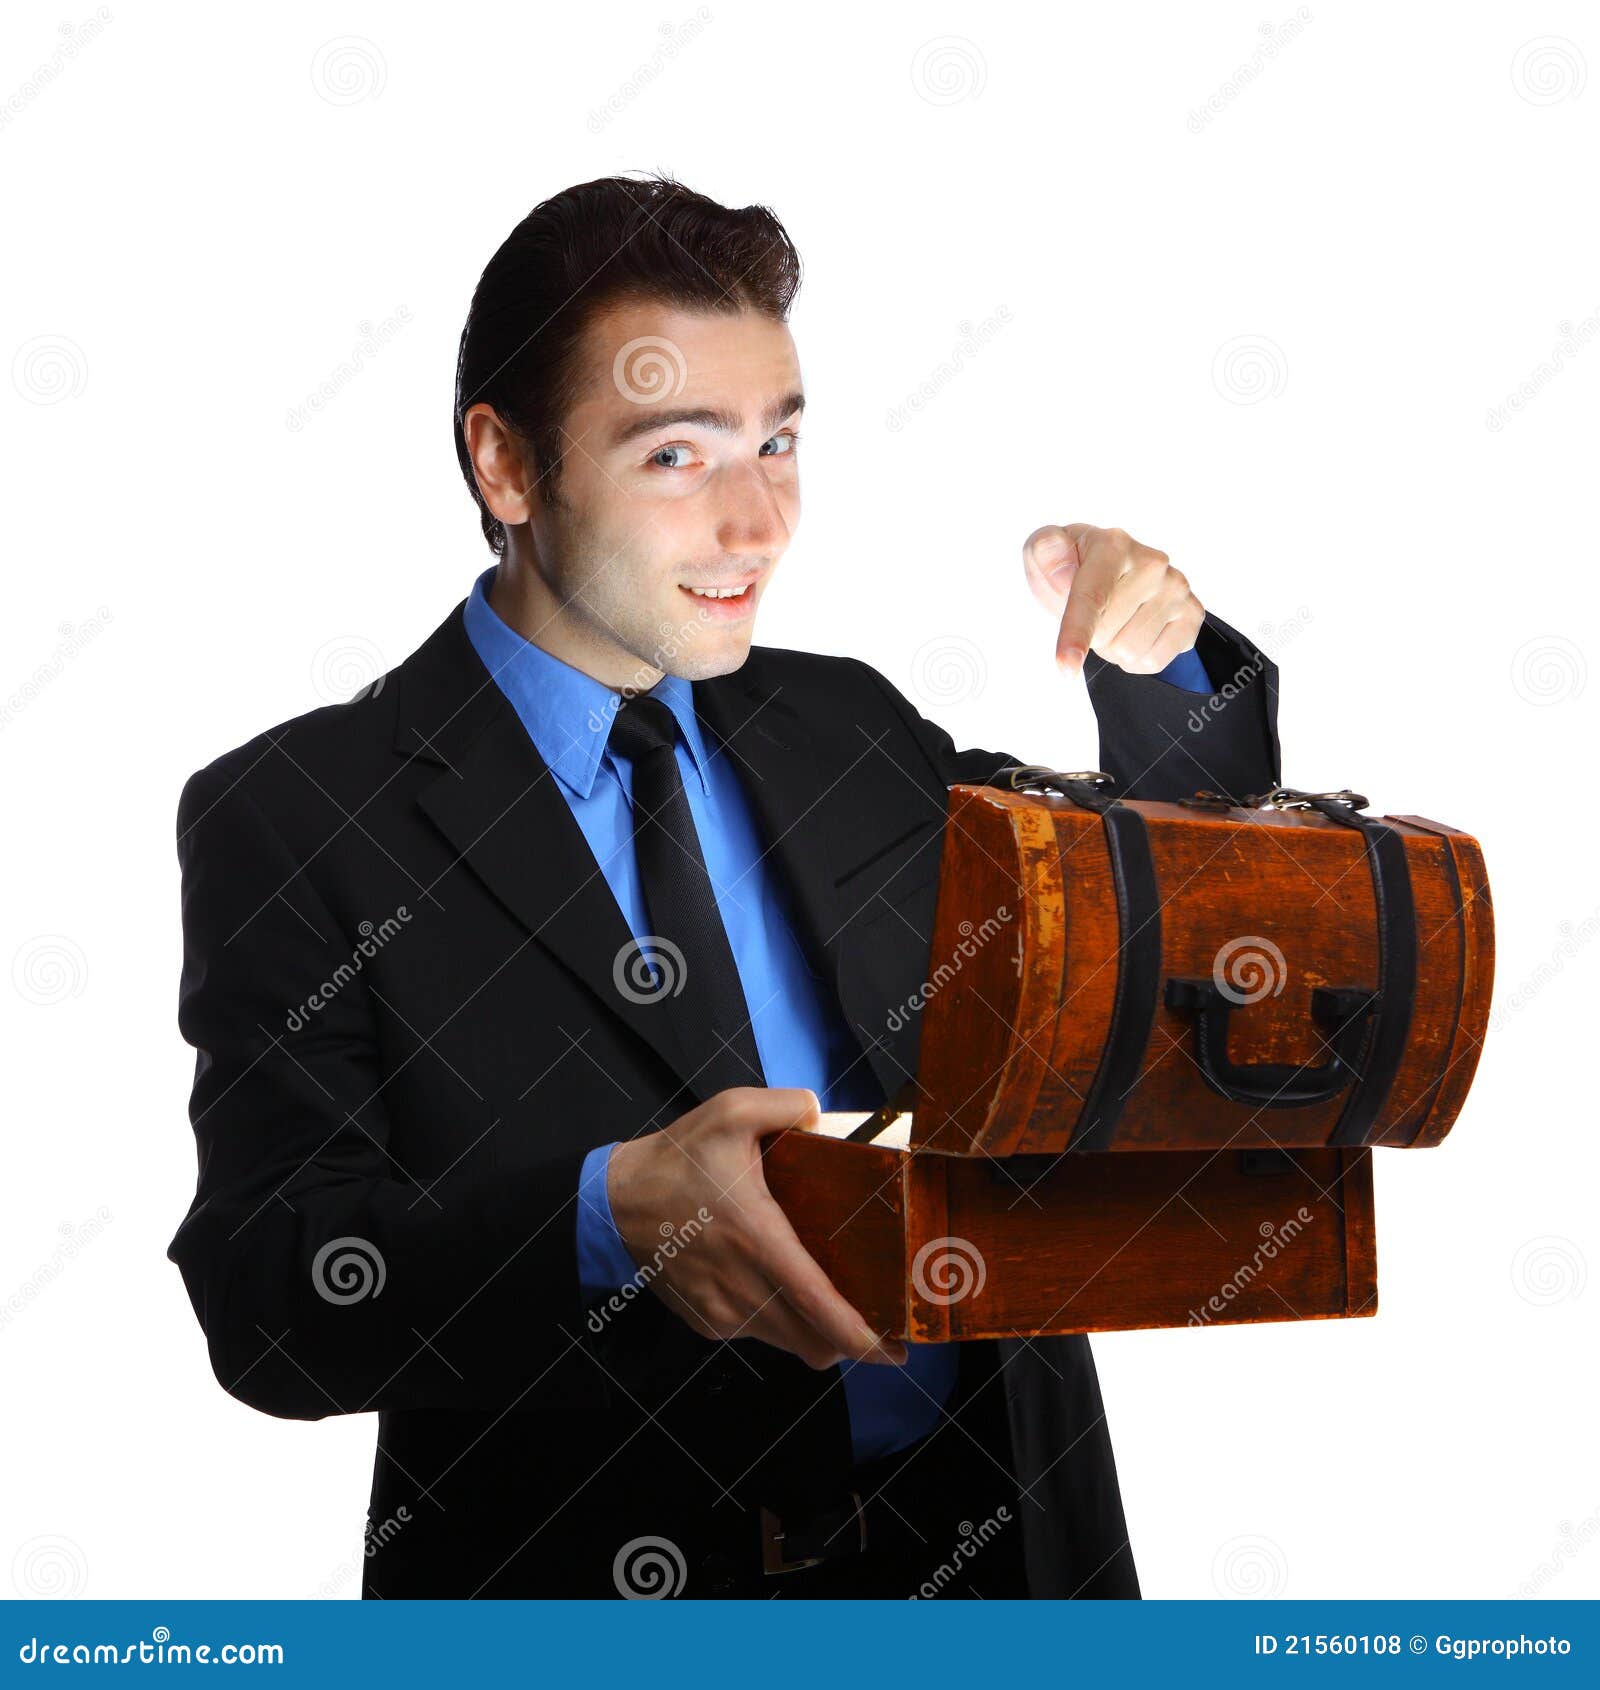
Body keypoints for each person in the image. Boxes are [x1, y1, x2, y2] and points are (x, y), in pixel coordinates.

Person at [168, 173, 1281, 1599]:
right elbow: (272, 1294)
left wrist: (1163, 664)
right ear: (506, 467)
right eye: (678, 457)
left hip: (1009, 1563)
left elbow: (1179, 894)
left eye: (779, 442)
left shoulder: (851, 727)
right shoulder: (302, 814)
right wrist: (597, 1215)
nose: (758, 525)